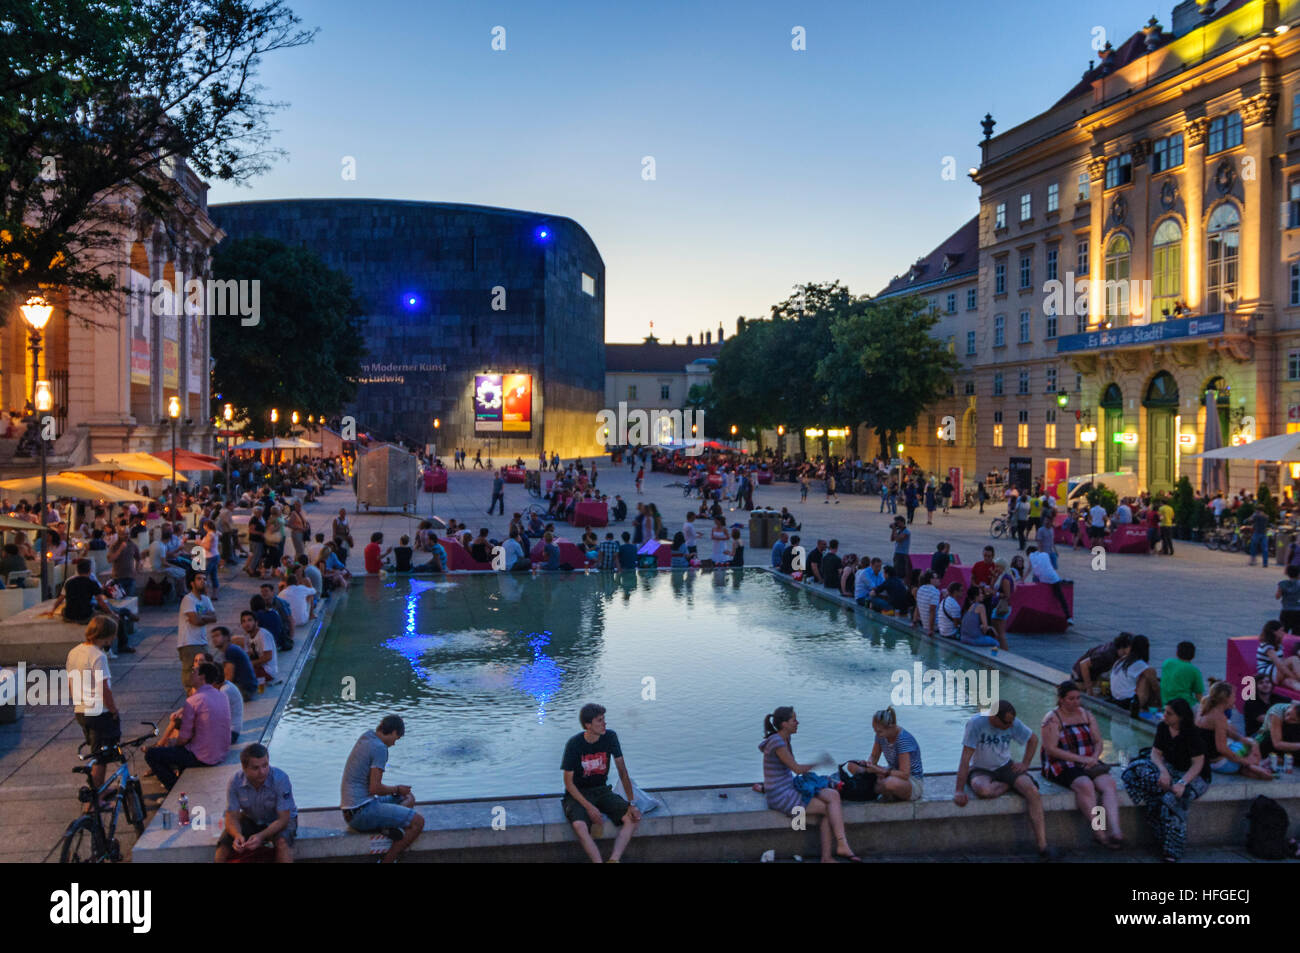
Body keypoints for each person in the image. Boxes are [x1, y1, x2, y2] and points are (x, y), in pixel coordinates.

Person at [755, 706, 861, 862]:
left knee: (833, 795)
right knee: (827, 809)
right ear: (784, 724)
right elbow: (797, 769)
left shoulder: (784, 739)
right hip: (781, 797)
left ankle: (841, 846)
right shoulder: (777, 742)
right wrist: (819, 762)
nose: (797, 722)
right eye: (794, 720)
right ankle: (830, 854)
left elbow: (779, 771)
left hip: (790, 786)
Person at [954, 700, 1055, 860]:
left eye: (1011, 722)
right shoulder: (976, 724)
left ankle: (1043, 846)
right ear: (993, 717)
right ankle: (1011, 784)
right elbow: (965, 758)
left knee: (1033, 792)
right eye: (1006, 723)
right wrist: (959, 790)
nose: (1010, 726)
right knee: (984, 790)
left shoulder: (1012, 722)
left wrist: (1025, 764)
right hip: (981, 768)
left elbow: (1033, 739)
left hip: (1006, 766)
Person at [1120, 698, 1208, 863]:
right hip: (1170, 769)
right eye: (1165, 711)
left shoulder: (1192, 734)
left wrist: (1182, 783)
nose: (1164, 716)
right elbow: (1155, 753)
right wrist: (1163, 771)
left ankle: (1172, 851)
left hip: (1192, 775)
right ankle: (1163, 787)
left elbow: (1198, 764)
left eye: (1169, 713)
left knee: (1170, 801)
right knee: (1134, 770)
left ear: (1180, 717)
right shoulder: (1163, 727)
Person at [1040, 681, 1122, 848]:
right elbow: (1051, 750)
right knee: (1085, 785)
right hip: (1062, 763)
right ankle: (1099, 831)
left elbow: (1098, 741)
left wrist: (1093, 757)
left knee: (1109, 783)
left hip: (1088, 759)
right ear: (1061, 699)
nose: (1076, 702)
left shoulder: (1086, 715)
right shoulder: (1052, 719)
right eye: (1071, 699)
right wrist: (1081, 760)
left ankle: (1115, 830)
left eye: (1078, 698)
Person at [560, 702, 642, 863]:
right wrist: (590, 808)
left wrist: (631, 803)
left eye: (604, 719)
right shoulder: (574, 744)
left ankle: (614, 860)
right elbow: (569, 783)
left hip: (602, 791)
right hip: (578, 794)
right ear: (587, 725)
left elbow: (622, 772)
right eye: (599, 720)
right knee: (579, 826)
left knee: (633, 818)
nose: (604, 723)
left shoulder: (610, 737)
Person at [340, 715, 425, 863]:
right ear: (392, 732)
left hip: (351, 811)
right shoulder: (380, 748)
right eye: (396, 738)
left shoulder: (366, 737)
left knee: (408, 798)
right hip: (362, 812)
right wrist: (398, 788)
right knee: (418, 822)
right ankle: (388, 861)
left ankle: (386, 827)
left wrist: (399, 792)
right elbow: (375, 788)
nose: (394, 743)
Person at [144, 661, 232, 791]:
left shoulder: (193, 701)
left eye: (194, 672)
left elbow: (183, 739)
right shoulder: (222, 695)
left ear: (202, 677)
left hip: (203, 756)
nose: (190, 675)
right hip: (221, 752)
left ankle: (174, 787)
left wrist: (172, 742)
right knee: (176, 748)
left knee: (151, 754)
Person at [65, 617, 120, 796]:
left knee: (95, 750)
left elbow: (71, 682)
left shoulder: (74, 652)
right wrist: (113, 710)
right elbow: (103, 688)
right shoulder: (98, 656)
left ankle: (98, 788)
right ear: (106, 636)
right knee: (101, 756)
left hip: (81, 710)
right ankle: (97, 797)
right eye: (112, 636)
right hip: (99, 712)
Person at [215, 743, 297, 863]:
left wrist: (261, 836)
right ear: (244, 768)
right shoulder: (235, 782)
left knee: (282, 843)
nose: (262, 772)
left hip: (278, 820)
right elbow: (231, 816)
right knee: (223, 845)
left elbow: (283, 819)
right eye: (255, 768)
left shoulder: (280, 779)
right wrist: (237, 835)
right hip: (251, 818)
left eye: (265, 766)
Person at [45, 558, 137, 655]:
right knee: (114, 620)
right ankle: (120, 645)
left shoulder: (69, 582)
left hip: (68, 615)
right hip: (85, 616)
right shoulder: (91, 582)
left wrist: (52, 611)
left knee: (65, 609)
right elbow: (101, 601)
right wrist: (112, 614)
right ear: (89, 570)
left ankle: (127, 614)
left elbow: (60, 599)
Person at [843, 706, 924, 801]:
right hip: (890, 772)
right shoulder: (881, 736)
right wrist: (869, 763)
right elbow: (874, 756)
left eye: (879, 731)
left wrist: (881, 771)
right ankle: (881, 789)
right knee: (852, 765)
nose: (877, 734)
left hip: (910, 780)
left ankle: (881, 789)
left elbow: (904, 774)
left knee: (889, 783)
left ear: (891, 727)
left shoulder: (903, 740)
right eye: (875, 731)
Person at [1196, 682, 1272, 780]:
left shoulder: (1204, 706)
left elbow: (1225, 733)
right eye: (1233, 696)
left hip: (1206, 759)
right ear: (1226, 699)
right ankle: (1253, 766)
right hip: (1219, 764)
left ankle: (1250, 768)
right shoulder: (1219, 717)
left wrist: (1242, 739)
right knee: (1252, 748)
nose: (1235, 699)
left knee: (1250, 743)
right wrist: (1245, 761)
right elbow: (1222, 749)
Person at [177, 574, 217, 689]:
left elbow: (214, 617)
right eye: (199, 579)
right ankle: (191, 699)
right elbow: (195, 621)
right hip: (189, 643)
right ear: (192, 583)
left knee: (205, 672)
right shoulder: (188, 599)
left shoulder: (205, 599)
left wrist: (200, 616)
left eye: (205, 579)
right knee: (191, 674)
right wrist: (204, 617)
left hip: (202, 642)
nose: (203, 581)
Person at [1109, 634, 1161, 713]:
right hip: (1130, 703)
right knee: (1148, 676)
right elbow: (1156, 688)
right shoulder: (1139, 664)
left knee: (1145, 675)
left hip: (1115, 699)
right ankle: (1155, 706)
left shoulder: (1122, 660)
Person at [209, 624, 258, 701]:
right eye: (213, 637)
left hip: (244, 691)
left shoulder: (230, 651)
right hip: (249, 688)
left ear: (227, 637)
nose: (214, 639)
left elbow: (229, 677)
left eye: (217, 635)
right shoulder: (231, 649)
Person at [1026, 545, 1072, 624]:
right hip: (1054, 579)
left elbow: (1029, 569)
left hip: (1042, 580)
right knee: (1061, 598)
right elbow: (1049, 567)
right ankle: (1068, 617)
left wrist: (1022, 579)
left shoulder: (1031, 556)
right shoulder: (1045, 554)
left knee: (1035, 578)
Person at [1256, 619, 1300, 691]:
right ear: (1274, 632)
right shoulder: (1266, 646)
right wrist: (1294, 676)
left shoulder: (1278, 644)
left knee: (1290, 682)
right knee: (1294, 659)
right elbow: (1279, 665)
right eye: (1281, 630)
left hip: (1275, 673)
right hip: (1266, 674)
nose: (1284, 633)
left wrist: (1292, 676)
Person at [237, 609, 278, 683]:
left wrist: (250, 664)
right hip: (257, 667)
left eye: (250, 620)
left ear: (256, 622)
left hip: (267, 670)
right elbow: (248, 655)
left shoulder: (263, 634)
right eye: (243, 621)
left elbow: (268, 656)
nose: (247, 624)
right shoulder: (247, 636)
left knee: (241, 677)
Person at [1160, 641, 1205, 708]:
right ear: (1193, 655)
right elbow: (1199, 695)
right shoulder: (1194, 670)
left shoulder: (1167, 663)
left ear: (1177, 653)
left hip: (1166, 705)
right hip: (1186, 706)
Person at [1254, 698, 1300, 764]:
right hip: (1265, 741)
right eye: (1288, 714)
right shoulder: (1277, 712)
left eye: (1293, 720)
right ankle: (1280, 759)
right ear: (1292, 706)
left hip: (1287, 742)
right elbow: (1277, 744)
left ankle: (1281, 759)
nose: (1287, 719)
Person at [913, 570, 941, 635]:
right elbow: (932, 611)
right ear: (931, 580)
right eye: (937, 578)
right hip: (935, 626)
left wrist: (914, 622)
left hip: (924, 624)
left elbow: (917, 607)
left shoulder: (920, 589)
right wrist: (931, 629)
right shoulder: (935, 592)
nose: (939, 580)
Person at [1277, 565, 1300, 633]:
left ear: (1287, 573)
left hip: (1286, 611)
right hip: (1298, 612)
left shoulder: (1282, 584)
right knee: (1297, 634)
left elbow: (1277, 596)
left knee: (1283, 632)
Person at [889, 516, 911, 581]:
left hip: (902, 554)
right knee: (896, 569)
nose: (896, 524)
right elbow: (892, 539)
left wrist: (894, 529)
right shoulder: (899, 531)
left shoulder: (906, 532)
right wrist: (893, 530)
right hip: (897, 553)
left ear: (902, 522)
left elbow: (898, 539)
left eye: (897, 523)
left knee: (900, 571)